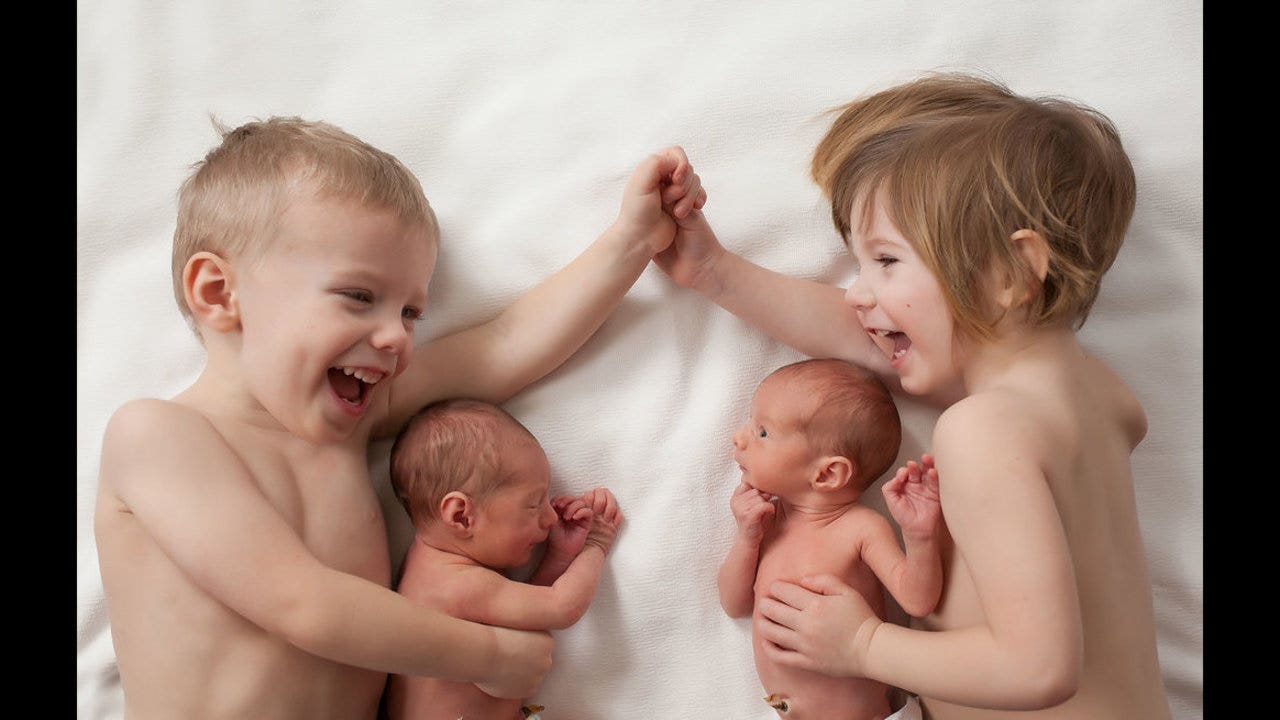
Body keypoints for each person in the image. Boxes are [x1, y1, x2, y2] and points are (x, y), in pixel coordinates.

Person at [93, 115, 705, 720]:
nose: (394, 337)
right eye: (360, 297)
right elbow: (301, 602)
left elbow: (502, 348)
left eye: (412, 312)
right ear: (218, 294)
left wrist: (631, 242)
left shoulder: (348, 430)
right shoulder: (156, 436)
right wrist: (485, 653)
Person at [657, 72, 1173, 718]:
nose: (857, 294)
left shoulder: (985, 430)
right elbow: (877, 342)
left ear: (1011, 273)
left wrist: (864, 644)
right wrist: (715, 272)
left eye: (887, 261)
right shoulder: (1096, 394)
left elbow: (1038, 668)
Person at [720, 358, 940, 720]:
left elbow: (917, 600)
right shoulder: (768, 522)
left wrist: (920, 538)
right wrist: (746, 536)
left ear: (827, 473)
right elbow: (734, 603)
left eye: (763, 433)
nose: (739, 437)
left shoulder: (860, 528)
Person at [383, 398, 623, 720]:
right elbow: (560, 606)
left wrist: (559, 555)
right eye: (534, 504)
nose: (550, 517)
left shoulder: (432, 571)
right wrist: (597, 543)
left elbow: (527, 615)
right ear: (462, 515)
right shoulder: (456, 585)